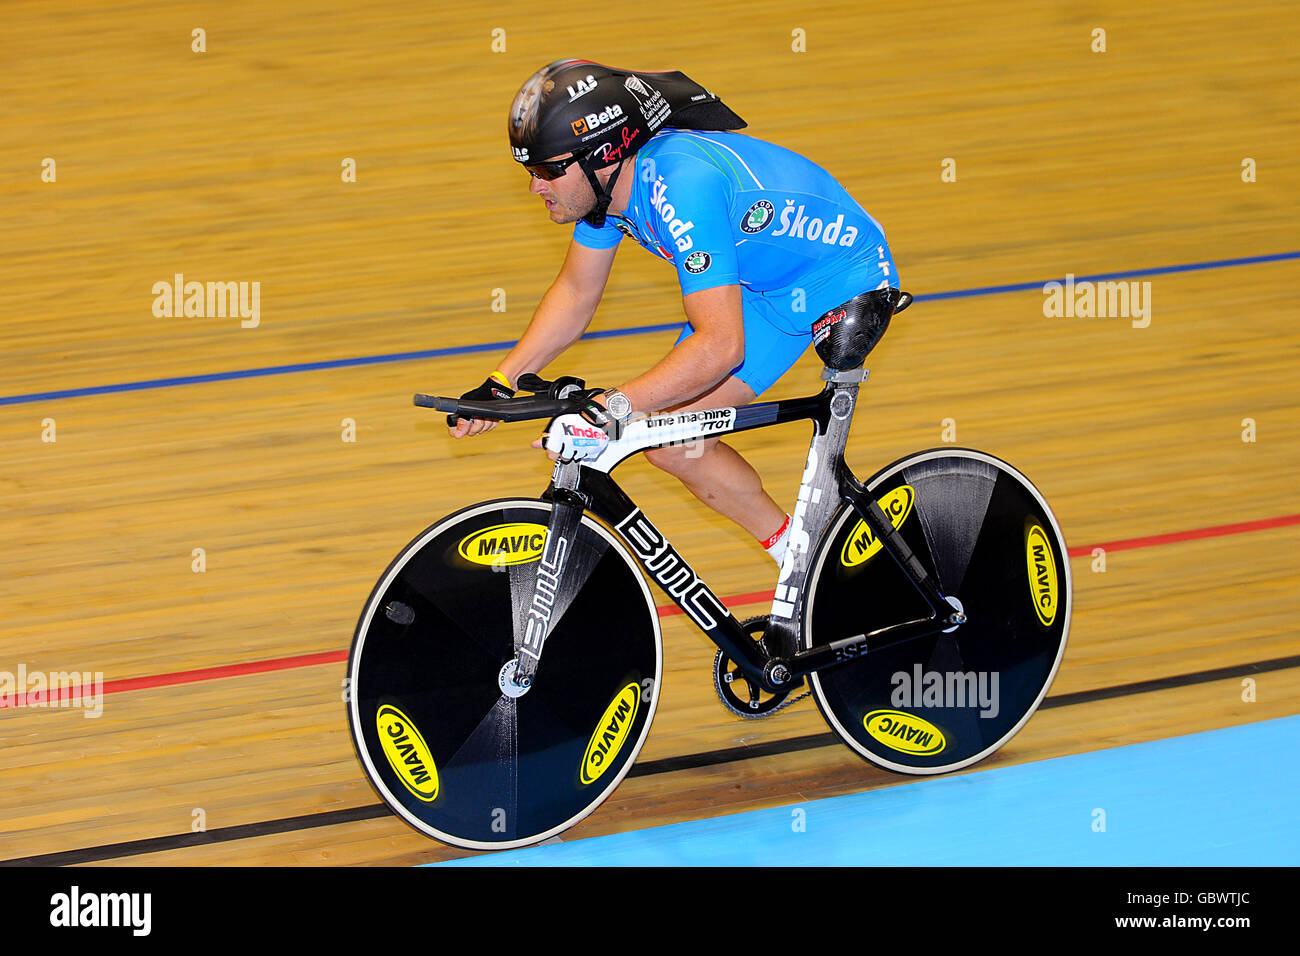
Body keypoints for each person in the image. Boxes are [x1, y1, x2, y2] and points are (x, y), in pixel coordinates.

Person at [450, 59, 899, 567]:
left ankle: (852, 565)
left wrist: (612, 409)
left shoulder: (681, 185)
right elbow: (576, 293)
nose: (536, 187)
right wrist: (501, 380)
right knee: (667, 439)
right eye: (529, 171)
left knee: (649, 423)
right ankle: (802, 560)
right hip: (763, 287)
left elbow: (721, 346)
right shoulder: (606, 195)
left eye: (548, 170)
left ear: (605, 154)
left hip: (843, 275)